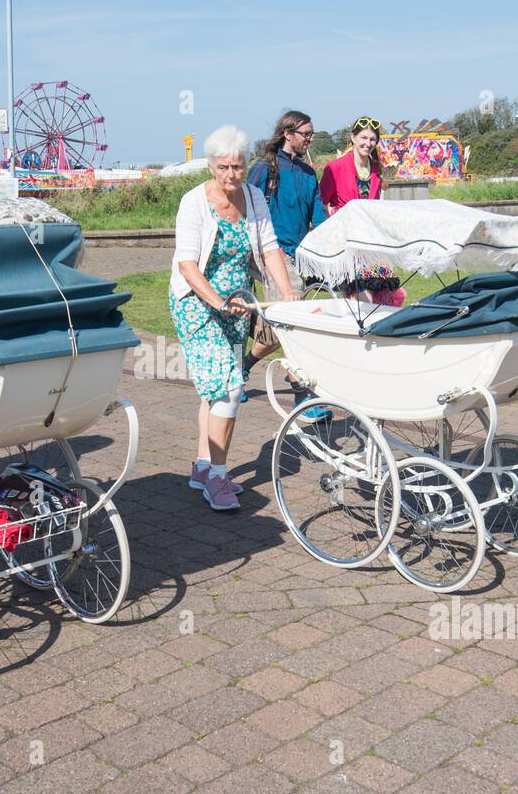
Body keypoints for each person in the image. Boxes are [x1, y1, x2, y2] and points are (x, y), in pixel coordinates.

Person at [171, 125, 299, 511]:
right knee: (228, 388)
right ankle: (219, 477)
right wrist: (218, 302)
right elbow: (188, 265)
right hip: (198, 302)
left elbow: (271, 248)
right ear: (211, 166)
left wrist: (287, 292)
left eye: (238, 167)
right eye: (224, 167)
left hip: (239, 303)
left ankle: (203, 466)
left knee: (218, 386)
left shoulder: (255, 198)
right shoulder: (193, 203)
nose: (232, 175)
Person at [244, 109, 331, 421]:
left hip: (299, 256)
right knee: (294, 324)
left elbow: (318, 218)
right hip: (271, 253)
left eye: (311, 134)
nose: (309, 139)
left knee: (275, 329)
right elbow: (244, 205)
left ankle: (242, 368)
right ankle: (301, 398)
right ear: (287, 133)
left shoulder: (308, 174)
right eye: (305, 133)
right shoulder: (264, 168)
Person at [318, 116, 403, 307]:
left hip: (371, 242)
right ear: (353, 138)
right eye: (363, 138)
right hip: (347, 243)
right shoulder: (335, 168)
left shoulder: (375, 170)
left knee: (388, 296)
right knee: (362, 299)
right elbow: (321, 202)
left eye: (372, 139)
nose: (368, 143)